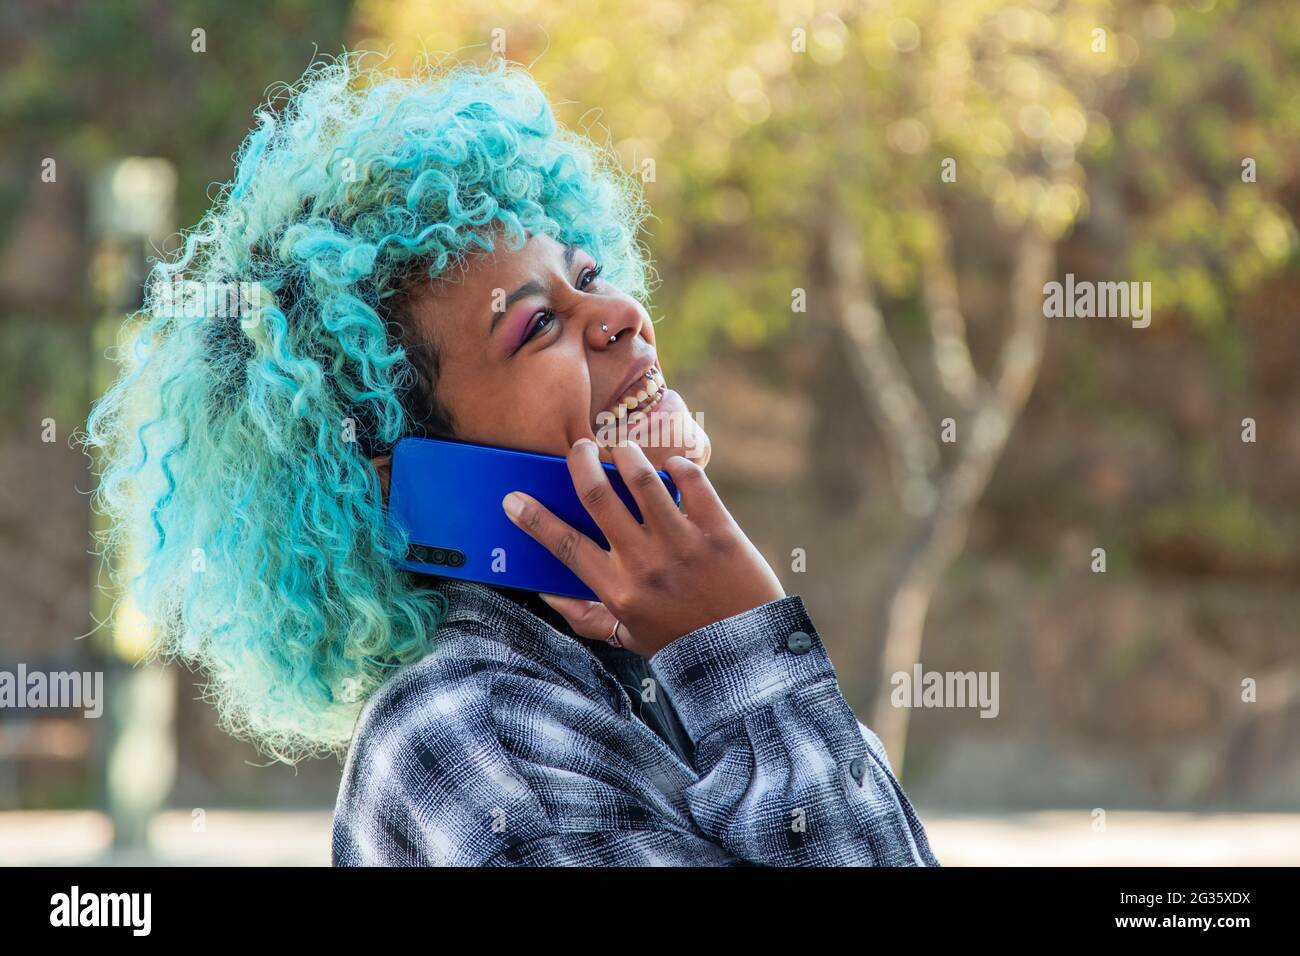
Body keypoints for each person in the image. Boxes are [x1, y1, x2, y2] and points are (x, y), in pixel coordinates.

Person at [85, 52, 939, 866]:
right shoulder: (465, 734)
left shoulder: (660, 661)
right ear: (410, 478)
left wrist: (718, 656)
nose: (620, 315)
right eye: (537, 325)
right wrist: (746, 658)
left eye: (590, 274)